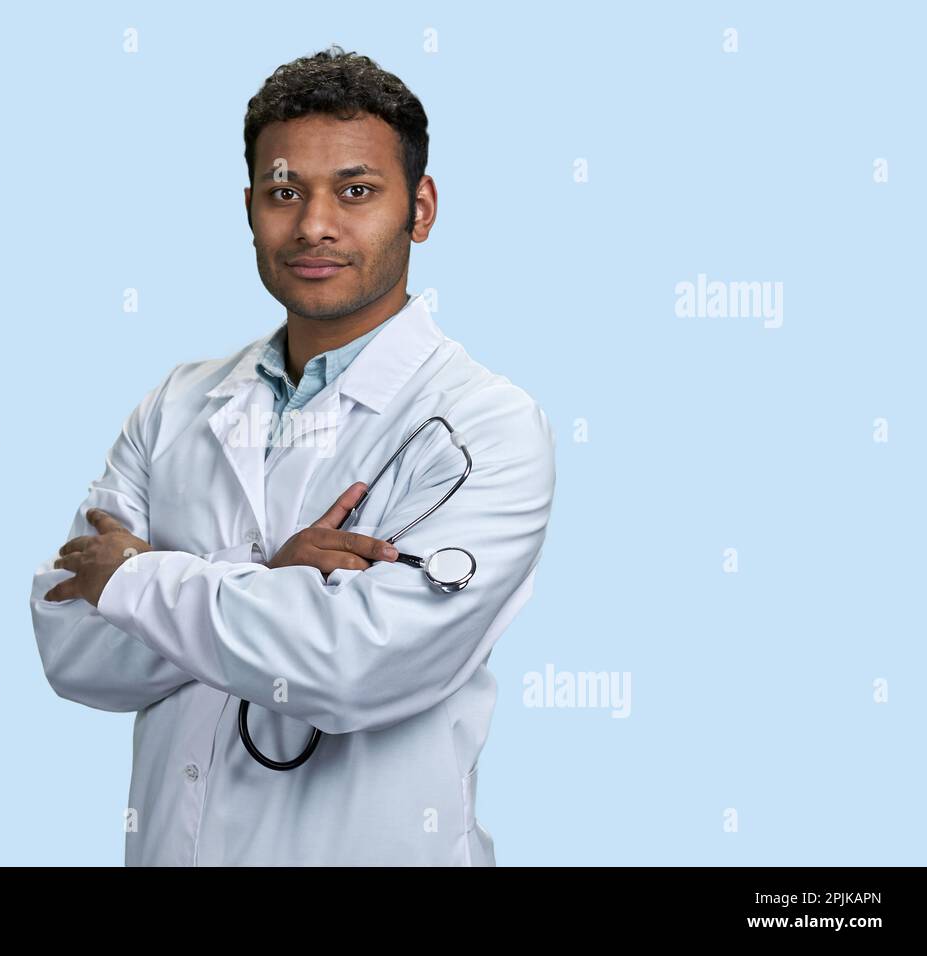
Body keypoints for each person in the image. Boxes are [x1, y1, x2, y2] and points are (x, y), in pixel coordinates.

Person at [30, 44, 556, 866]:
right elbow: (71, 649)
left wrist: (138, 579)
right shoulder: (176, 403)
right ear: (248, 207)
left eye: (356, 190)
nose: (314, 224)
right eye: (284, 193)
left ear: (420, 208)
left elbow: (355, 666)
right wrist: (273, 585)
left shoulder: (484, 426)